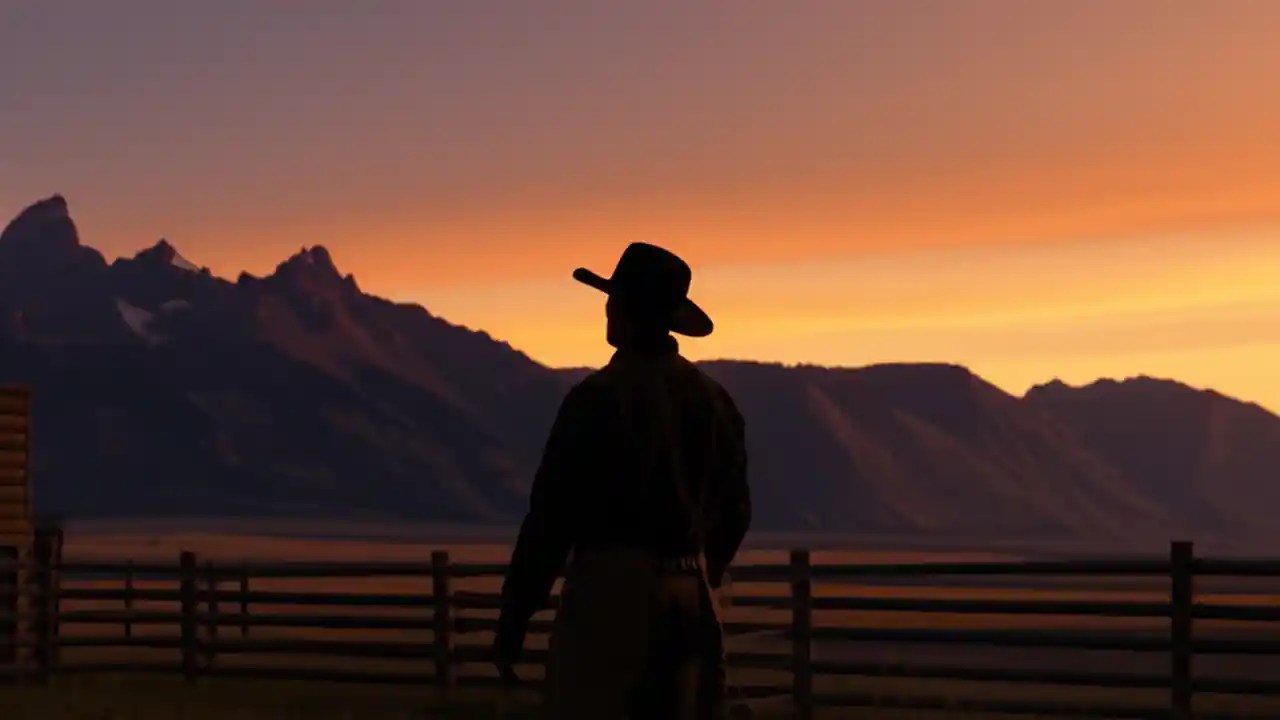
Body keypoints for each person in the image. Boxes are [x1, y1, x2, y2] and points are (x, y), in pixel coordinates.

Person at [495, 242, 752, 719]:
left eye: (613, 301)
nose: (607, 310)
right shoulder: (715, 401)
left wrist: (515, 617)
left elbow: (550, 520)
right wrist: (703, 574)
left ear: (626, 311)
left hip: (610, 592)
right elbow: (735, 511)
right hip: (689, 594)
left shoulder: (596, 398)